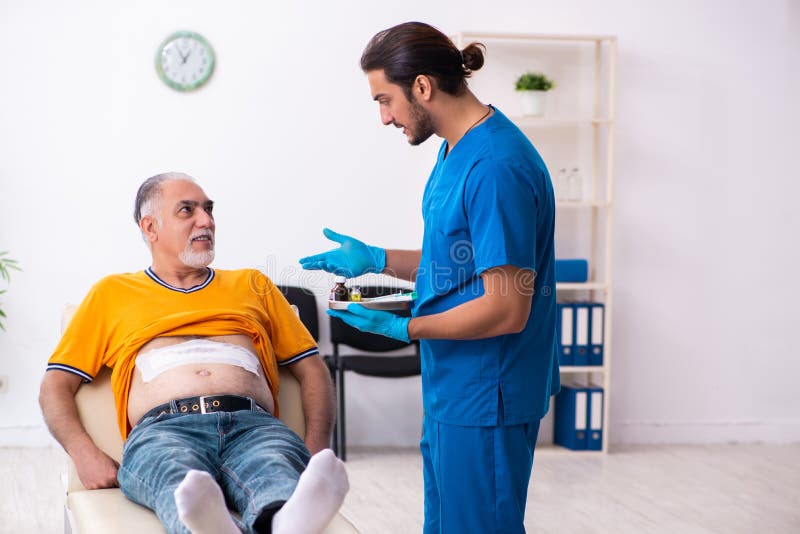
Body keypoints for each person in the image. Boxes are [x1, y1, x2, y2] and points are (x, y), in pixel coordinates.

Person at [299, 22, 560, 533]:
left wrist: (406, 329)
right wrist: (375, 258)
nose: (383, 118)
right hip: (455, 385)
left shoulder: (494, 167)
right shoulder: (454, 150)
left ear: (422, 86)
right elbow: (460, 261)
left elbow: (507, 307)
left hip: (489, 390)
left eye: (385, 100)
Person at [40, 172, 349, 534]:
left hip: (254, 427)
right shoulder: (111, 293)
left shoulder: (252, 285)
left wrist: (315, 449)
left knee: (274, 471)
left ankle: (276, 522)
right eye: (187, 210)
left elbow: (312, 370)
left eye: (208, 209)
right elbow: (55, 385)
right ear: (151, 227)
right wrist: (83, 453)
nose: (206, 220)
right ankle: (216, 524)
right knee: (176, 478)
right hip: (163, 431)